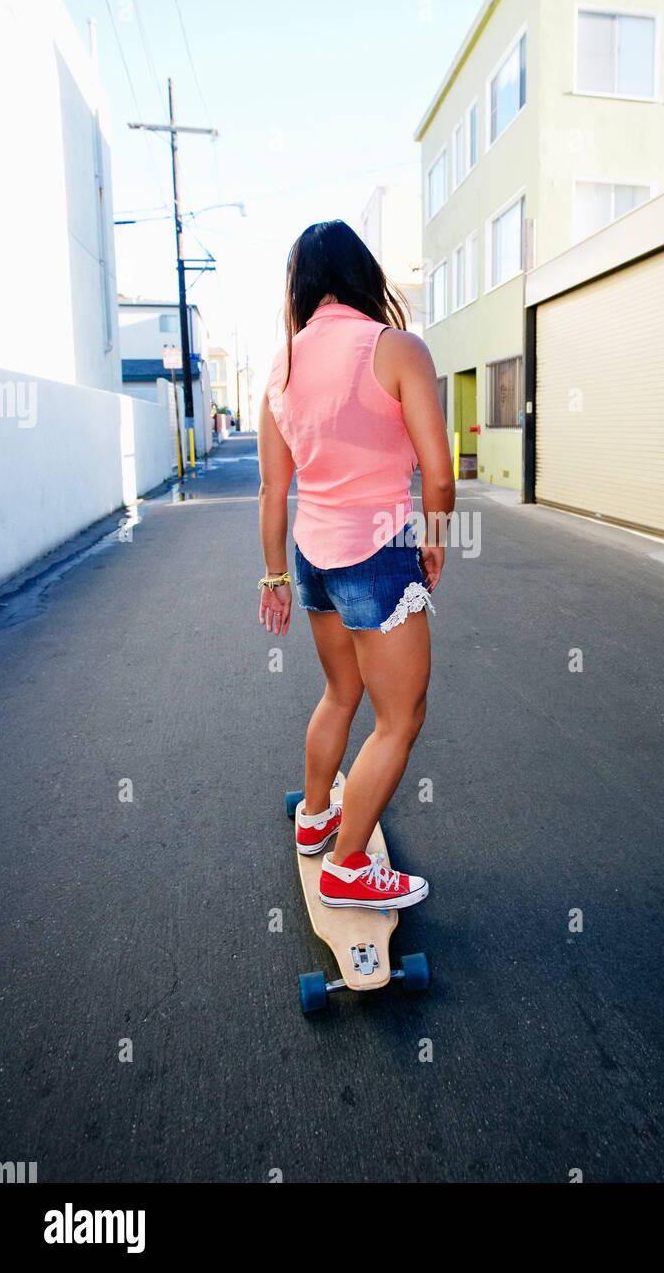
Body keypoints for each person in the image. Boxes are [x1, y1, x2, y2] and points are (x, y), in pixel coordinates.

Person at [257, 220, 455, 911]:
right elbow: (439, 471)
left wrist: (276, 575)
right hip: (377, 551)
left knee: (342, 694)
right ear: (362, 273)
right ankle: (346, 868)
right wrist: (434, 536)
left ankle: (316, 817)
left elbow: (272, 490)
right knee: (400, 718)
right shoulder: (395, 347)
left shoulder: (280, 367)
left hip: (312, 554)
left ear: (302, 285)